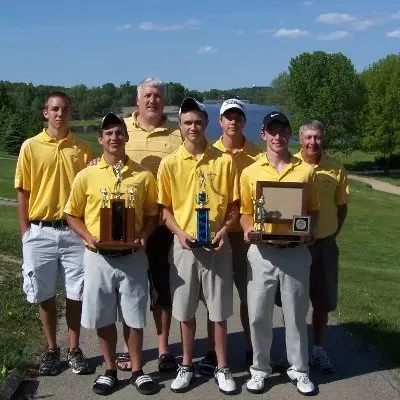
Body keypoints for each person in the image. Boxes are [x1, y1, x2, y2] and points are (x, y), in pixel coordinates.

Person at [65, 112, 159, 396]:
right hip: (98, 257)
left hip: (132, 256)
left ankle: (138, 370)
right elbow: (72, 214)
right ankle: (109, 369)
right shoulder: (87, 175)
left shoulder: (143, 176)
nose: (114, 137)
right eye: (108, 133)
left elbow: (152, 215)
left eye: (119, 132)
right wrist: (87, 237)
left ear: (126, 138)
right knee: (104, 317)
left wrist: (144, 236)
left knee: (134, 317)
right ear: (100, 139)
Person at [158, 97, 239, 394]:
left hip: (217, 246)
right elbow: (164, 210)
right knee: (185, 310)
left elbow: (234, 205)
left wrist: (226, 230)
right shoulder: (169, 164)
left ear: (206, 124)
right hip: (185, 247)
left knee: (218, 312)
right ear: (179, 126)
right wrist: (178, 232)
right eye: (187, 123)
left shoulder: (223, 160)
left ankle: (222, 366)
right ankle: (187, 365)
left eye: (198, 122)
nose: (193, 127)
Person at [240, 111, 319, 395]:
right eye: (271, 131)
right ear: (263, 135)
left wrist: (310, 232)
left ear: (289, 134)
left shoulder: (305, 171)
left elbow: (313, 211)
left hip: (295, 253)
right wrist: (248, 229)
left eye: (282, 131)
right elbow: (245, 213)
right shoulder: (250, 171)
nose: (277, 136)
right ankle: (260, 369)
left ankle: (299, 369)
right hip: (262, 253)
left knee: (296, 315)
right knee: (259, 315)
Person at [15, 92, 92, 376]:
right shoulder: (30, 147)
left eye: (66, 109)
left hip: (74, 232)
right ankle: (51, 348)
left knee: (76, 293)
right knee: (44, 294)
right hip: (40, 231)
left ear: (71, 113)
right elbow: (23, 192)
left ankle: (74, 348)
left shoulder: (83, 149)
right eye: (55, 109)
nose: (61, 114)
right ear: (45, 113)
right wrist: (25, 234)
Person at [116, 77, 182, 372]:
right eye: (147, 95)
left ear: (163, 99)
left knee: (161, 286)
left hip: (164, 222)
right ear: (138, 98)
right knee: (128, 286)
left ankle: (164, 347)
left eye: (157, 95)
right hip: (128, 220)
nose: (152, 100)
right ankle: (128, 349)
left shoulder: (178, 134)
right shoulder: (123, 130)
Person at [198, 99, 261, 375]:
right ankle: (213, 351)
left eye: (238, 117)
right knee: (215, 298)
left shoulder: (258, 156)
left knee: (250, 296)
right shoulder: (209, 154)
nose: (233, 121)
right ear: (220, 122)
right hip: (218, 234)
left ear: (244, 121)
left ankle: (252, 347)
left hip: (247, 237)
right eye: (228, 117)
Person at [295, 120, 349, 373]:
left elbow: (342, 206)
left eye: (317, 137)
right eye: (308, 138)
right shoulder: (291, 166)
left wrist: (331, 233)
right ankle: (293, 352)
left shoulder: (336, 168)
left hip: (325, 245)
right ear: (301, 139)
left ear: (322, 139)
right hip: (296, 246)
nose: (312, 142)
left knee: (322, 301)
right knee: (293, 301)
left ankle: (318, 349)